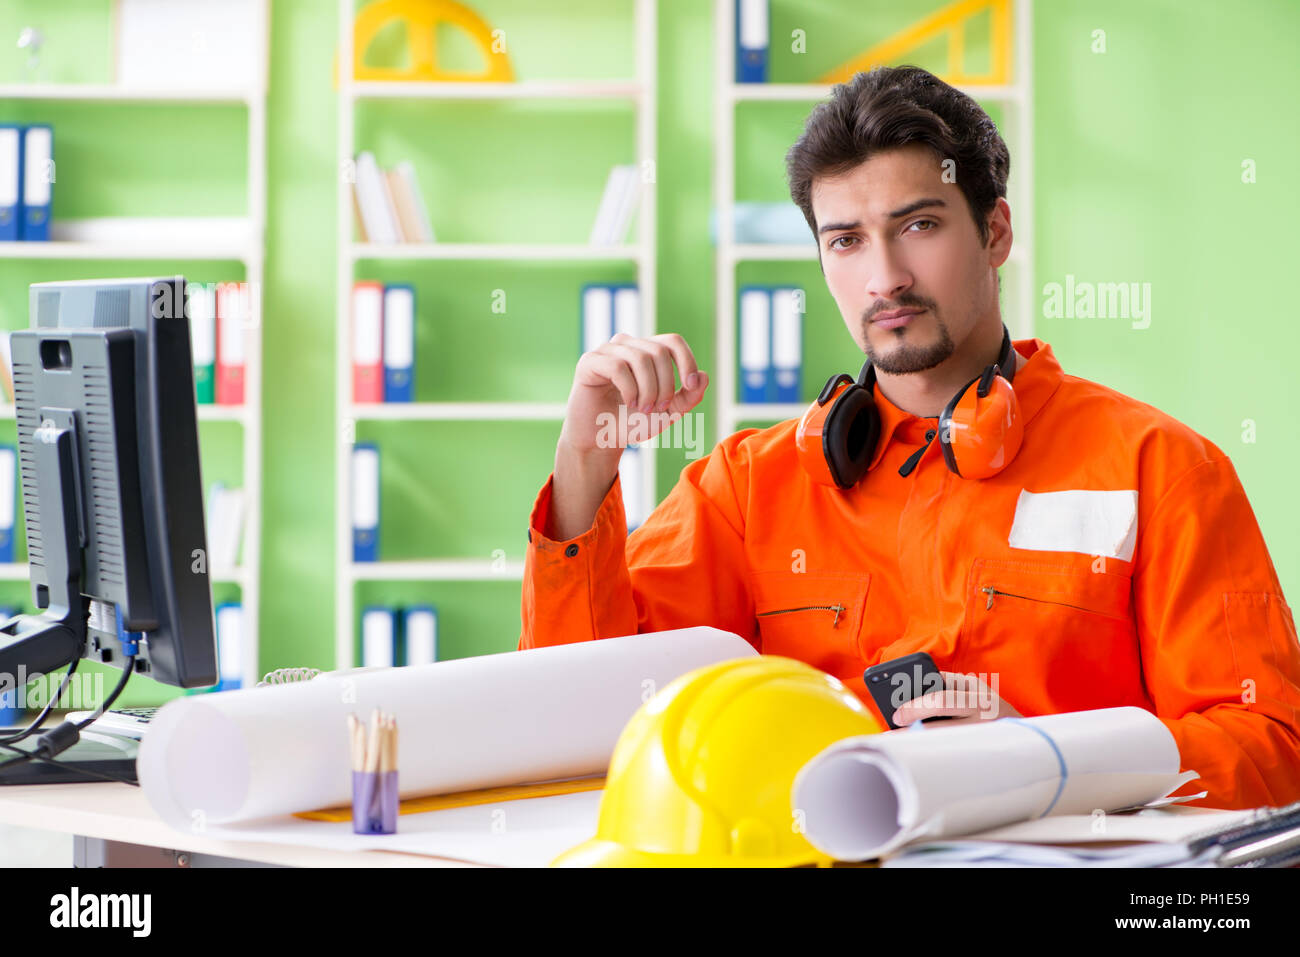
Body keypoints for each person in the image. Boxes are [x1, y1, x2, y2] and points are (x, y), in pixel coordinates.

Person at [517, 66, 1300, 812]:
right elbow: (583, 720)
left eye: (918, 224)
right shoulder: (747, 489)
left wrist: (1047, 761)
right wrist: (586, 460)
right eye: (846, 240)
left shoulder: (1161, 468)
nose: (884, 277)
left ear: (995, 231)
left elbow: (1269, 746)